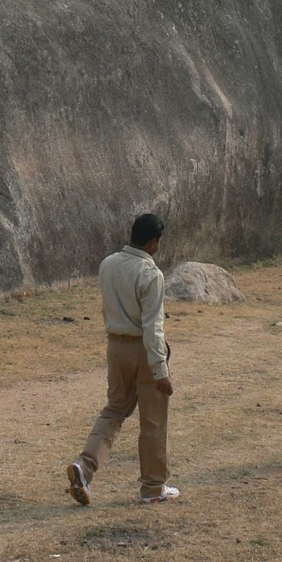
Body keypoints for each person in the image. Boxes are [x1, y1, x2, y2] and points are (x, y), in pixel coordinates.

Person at [66, 212, 180, 505]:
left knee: (114, 410)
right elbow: (153, 326)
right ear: (154, 242)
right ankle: (153, 488)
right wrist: (160, 369)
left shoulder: (108, 264)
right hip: (143, 349)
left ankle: (85, 466)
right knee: (153, 419)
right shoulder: (150, 274)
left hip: (115, 346)